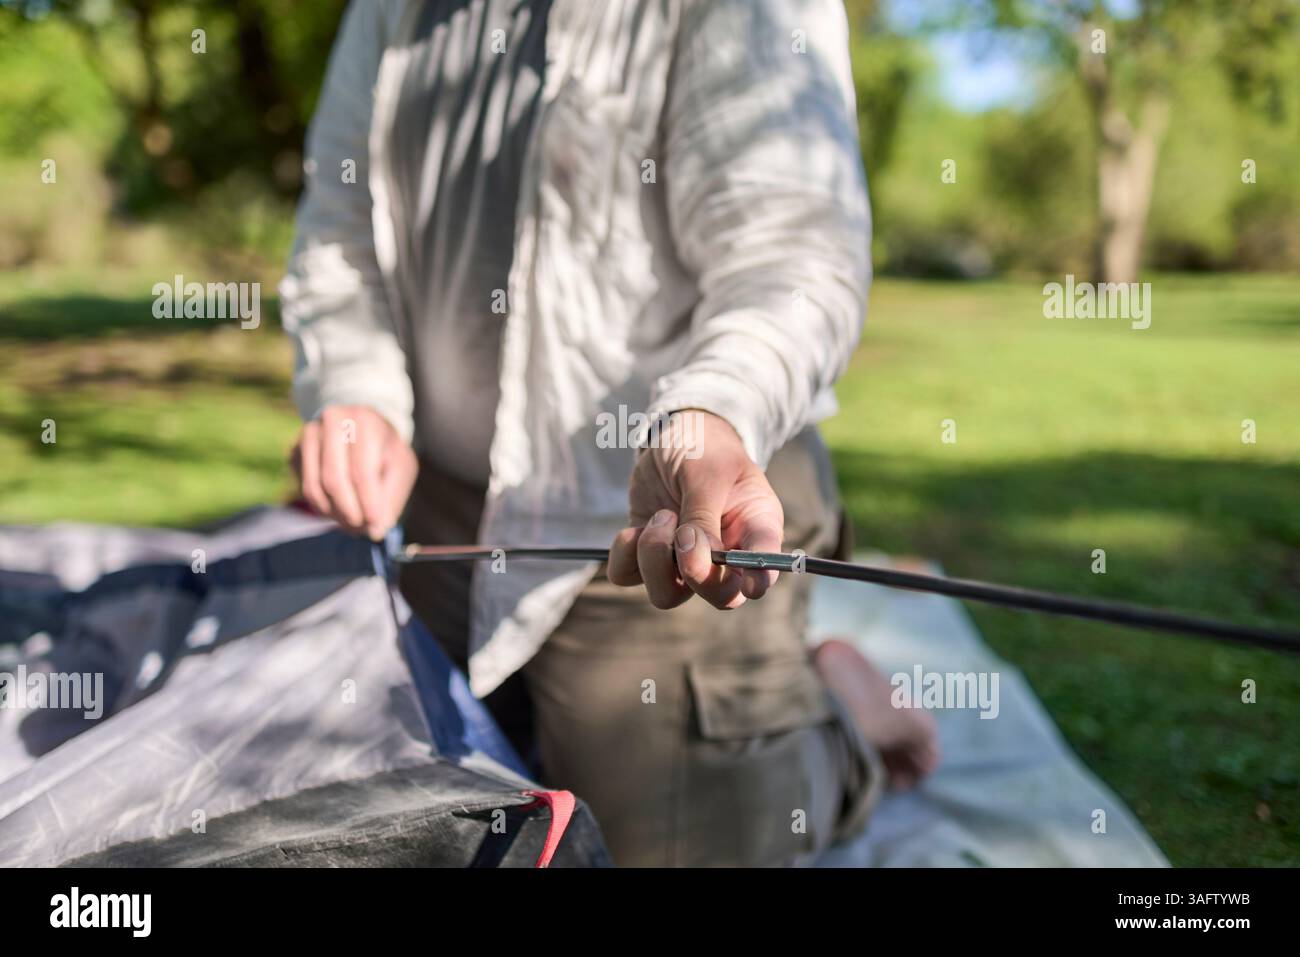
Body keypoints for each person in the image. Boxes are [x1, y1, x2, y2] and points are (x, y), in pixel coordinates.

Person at [282, 0, 938, 867]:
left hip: (662, 513)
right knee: (370, 800)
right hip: (443, 509)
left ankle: (841, 721)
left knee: (662, 847)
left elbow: (794, 251)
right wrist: (357, 392)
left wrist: (711, 412)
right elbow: (339, 222)